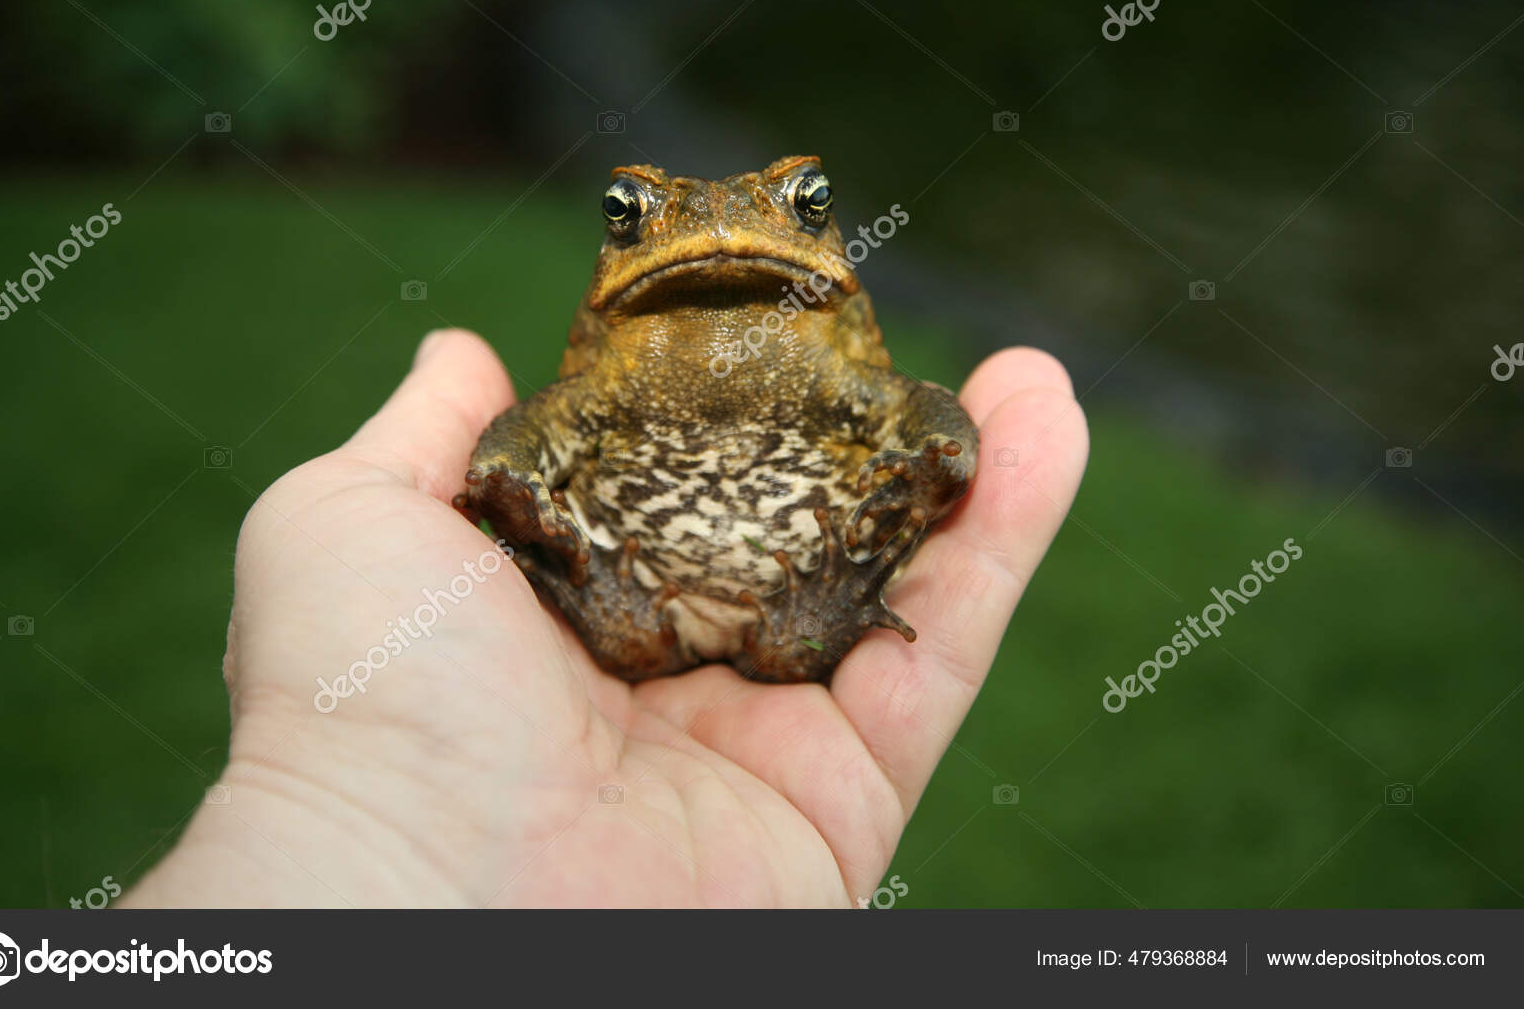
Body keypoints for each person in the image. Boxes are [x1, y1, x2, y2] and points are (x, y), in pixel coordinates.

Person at [122, 330, 1088, 907]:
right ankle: (696, 609)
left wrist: (930, 464)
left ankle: (812, 614)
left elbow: (934, 427)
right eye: (630, 212)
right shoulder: (613, 371)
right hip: (618, 614)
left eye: (806, 200)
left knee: (794, 637)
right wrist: (512, 484)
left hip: (796, 616)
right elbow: (515, 449)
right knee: (641, 618)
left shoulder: (831, 360)